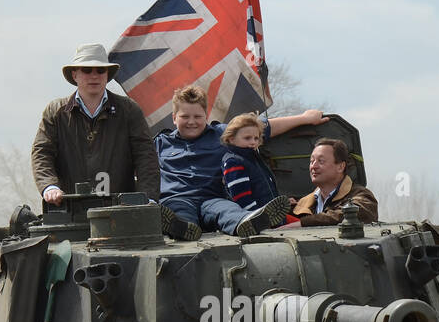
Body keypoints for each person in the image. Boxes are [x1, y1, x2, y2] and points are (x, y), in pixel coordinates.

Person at [156, 85, 328, 240]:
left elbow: (261, 127)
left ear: (206, 116)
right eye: (185, 116)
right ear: (174, 117)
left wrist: (304, 118)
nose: (191, 122)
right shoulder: (160, 143)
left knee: (229, 211)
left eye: (197, 116)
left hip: (213, 198)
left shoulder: (222, 134)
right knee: (178, 213)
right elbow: (140, 163)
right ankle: (181, 228)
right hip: (178, 198)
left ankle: (247, 223)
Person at [31, 43, 160, 206]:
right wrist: (49, 186)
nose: (94, 76)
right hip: (68, 210)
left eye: (100, 70)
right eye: (86, 70)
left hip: (121, 212)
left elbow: (145, 156)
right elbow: (42, 152)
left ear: (107, 75)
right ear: (74, 74)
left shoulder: (129, 110)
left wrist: (148, 198)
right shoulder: (55, 112)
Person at [219, 113, 294, 230]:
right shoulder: (233, 162)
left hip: (272, 217)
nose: (253, 142)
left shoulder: (254, 159)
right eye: (247, 138)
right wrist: (257, 218)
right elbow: (241, 197)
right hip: (258, 221)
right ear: (231, 139)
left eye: (256, 138)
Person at [292, 138, 380, 226]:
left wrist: (303, 224)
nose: (313, 166)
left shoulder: (362, 196)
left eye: (321, 161)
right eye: (312, 161)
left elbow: (355, 213)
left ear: (341, 166)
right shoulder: (302, 204)